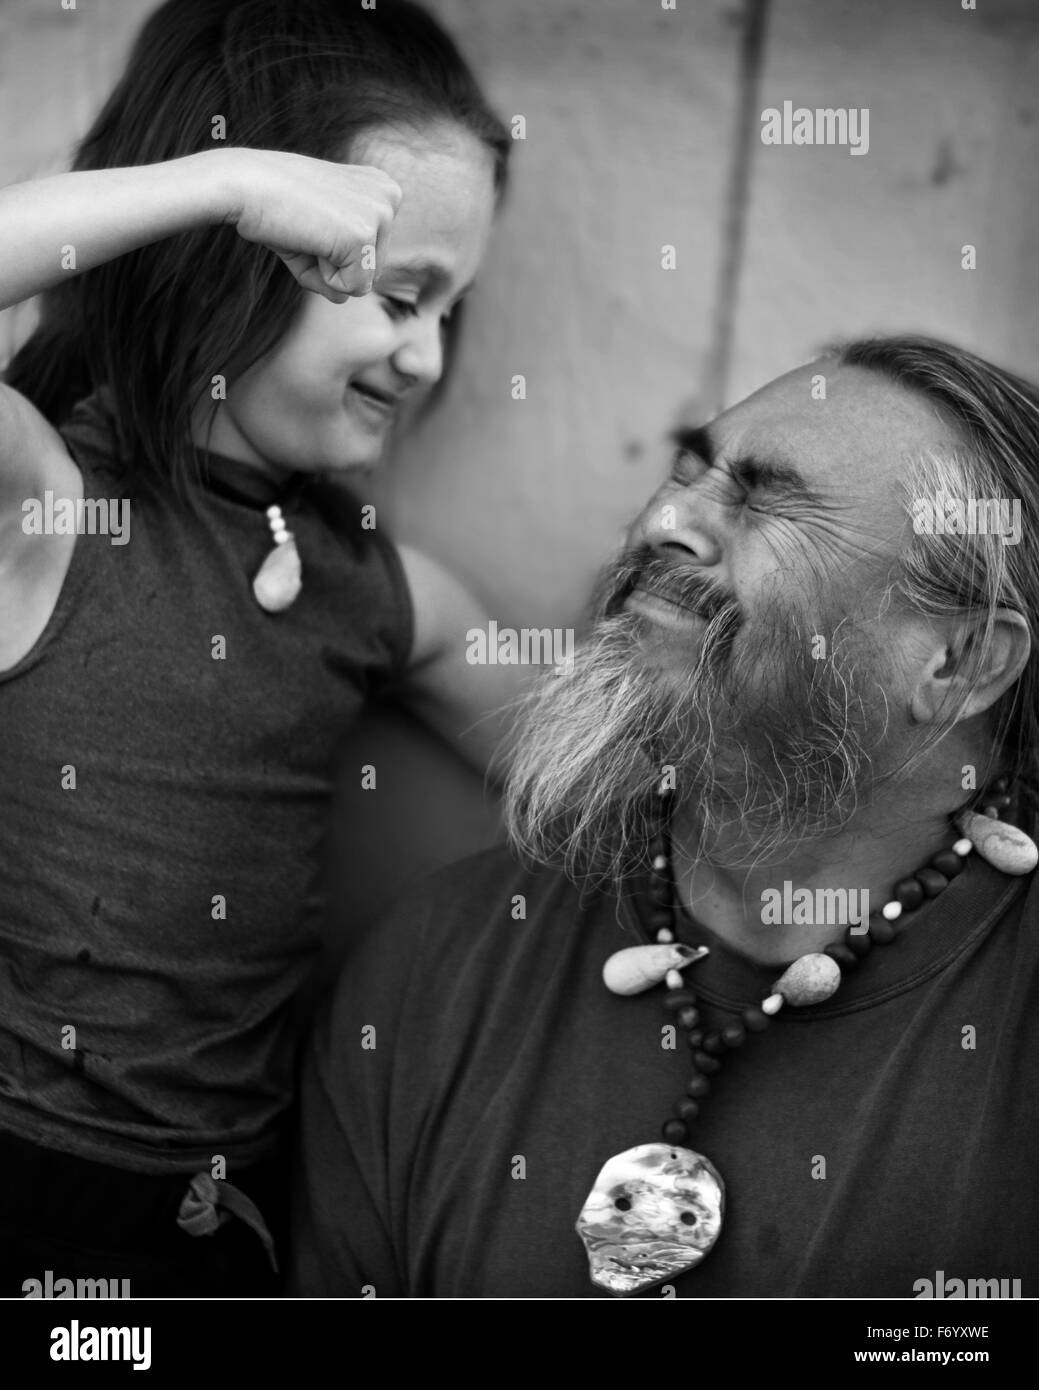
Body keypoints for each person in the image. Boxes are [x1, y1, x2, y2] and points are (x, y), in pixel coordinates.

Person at [290, 335, 1039, 1299]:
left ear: (956, 662)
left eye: (765, 502)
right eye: (686, 472)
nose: (663, 520)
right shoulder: (438, 964)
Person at [0, 0, 519, 1297]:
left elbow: (610, 746)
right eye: (400, 292)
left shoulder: (374, 587)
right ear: (233, 249)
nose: (427, 353)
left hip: (225, 1206)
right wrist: (218, 181)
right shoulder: (52, 504)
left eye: (452, 307)